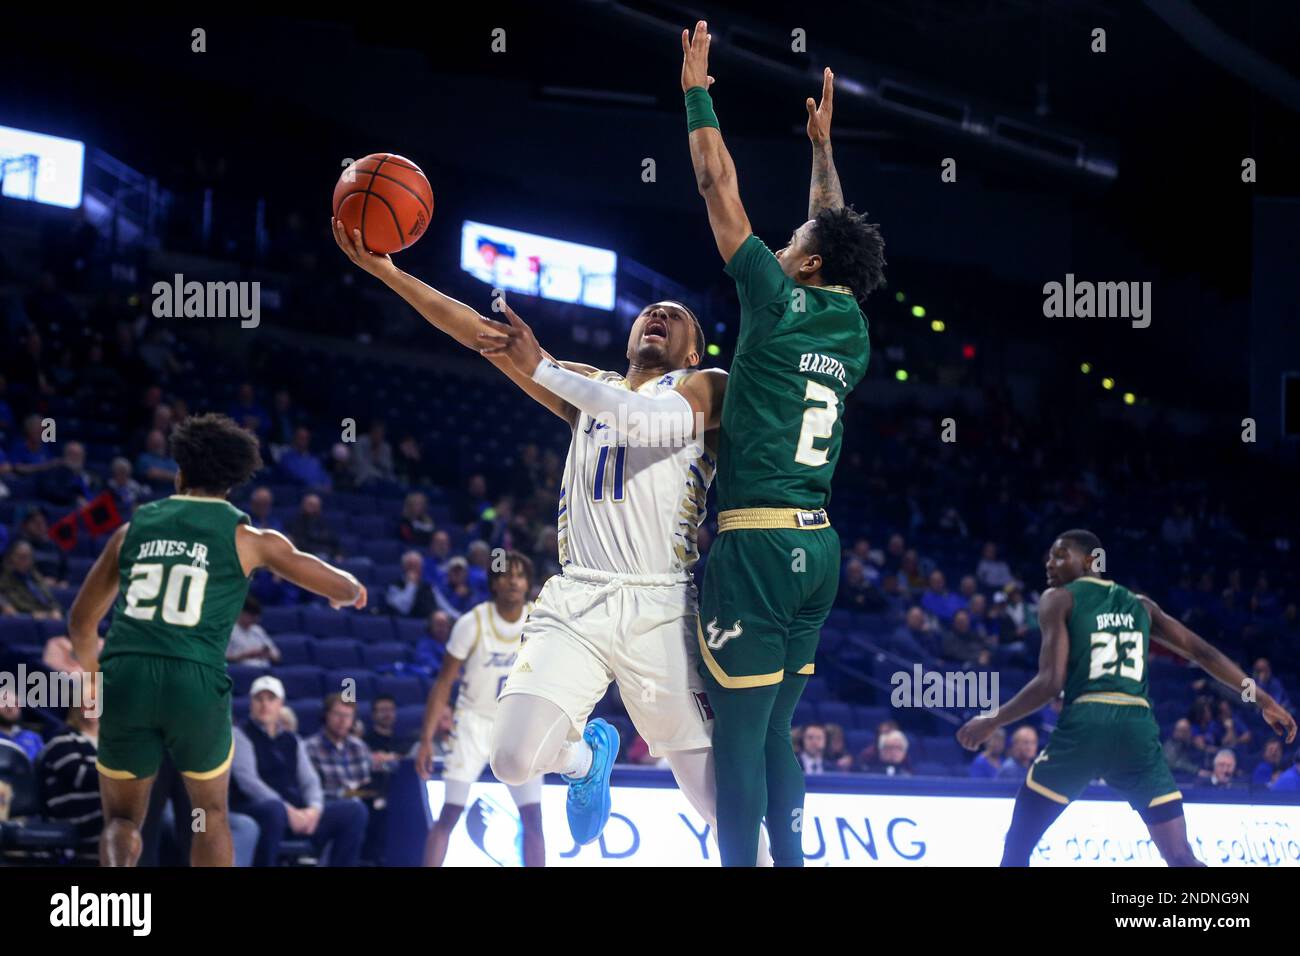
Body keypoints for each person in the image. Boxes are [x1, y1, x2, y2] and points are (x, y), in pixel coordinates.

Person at [334, 183, 764, 862]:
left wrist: (543, 367)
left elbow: (639, 419)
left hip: (661, 607)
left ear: (690, 351)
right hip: (576, 598)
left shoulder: (707, 387)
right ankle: (583, 758)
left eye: (674, 314)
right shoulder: (583, 389)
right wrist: (388, 271)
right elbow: (480, 333)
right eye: (649, 309)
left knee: (719, 806)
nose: (656, 313)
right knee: (509, 760)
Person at [678, 31, 885, 866]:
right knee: (774, 737)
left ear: (799, 261)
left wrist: (697, 91)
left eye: (795, 239)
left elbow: (714, 181)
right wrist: (824, 150)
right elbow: (830, 232)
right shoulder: (857, 329)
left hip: (758, 547)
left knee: (738, 742)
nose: (787, 241)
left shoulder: (773, 296)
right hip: (818, 550)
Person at [66, 413, 367, 867]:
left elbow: (80, 622)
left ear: (179, 471)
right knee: (209, 813)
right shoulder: (248, 538)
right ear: (232, 482)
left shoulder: (132, 530)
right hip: (195, 679)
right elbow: (338, 584)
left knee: (123, 819)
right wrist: (351, 591)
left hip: (127, 673)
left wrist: (94, 678)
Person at [957, 529, 1296, 867]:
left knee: (1016, 849)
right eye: (1049, 555)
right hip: (1137, 731)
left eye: (1060, 554)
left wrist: (992, 720)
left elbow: (1050, 683)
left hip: (1088, 723)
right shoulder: (1141, 606)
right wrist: (1262, 699)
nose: (1050, 562)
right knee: (1180, 856)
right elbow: (1204, 654)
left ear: (1090, 561)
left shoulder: (1058, 598)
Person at [415, 551, 543, 867]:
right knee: (449, 814)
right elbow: (444, 682)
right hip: (473, 723)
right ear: (494, 583)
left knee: (533, 820)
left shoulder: (542, 620)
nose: (513, 581)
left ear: (528, 584)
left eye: (520, 575)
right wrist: (427, 739)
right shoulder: (472, 622)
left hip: (519, 728)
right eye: (505, 575)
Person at [232, 676, 368, 867]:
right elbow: (249, 782)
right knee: (274, 810)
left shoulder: (293, 740)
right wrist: (289, 811)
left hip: (297, 814)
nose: (264, 705)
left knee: (355, 811)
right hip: (259, 809)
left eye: (270, 699)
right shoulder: (239, 735)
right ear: (251, 704)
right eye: (259, 699)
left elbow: (310, 781)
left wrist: (314, 809)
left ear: (280, 704)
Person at [38, 701, 103, 858]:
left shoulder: (113, 743)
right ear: (76, 707)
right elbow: (82, 777)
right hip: (77, 814)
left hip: (104, 810)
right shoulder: (62, 740)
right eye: (88, 701)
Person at [225, 596, 280, 667]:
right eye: (251, 615)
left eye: (256, 616)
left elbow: (277, 657)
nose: (255, 619)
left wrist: (266, 654)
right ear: (241, 612)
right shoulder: (228, 631)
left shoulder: (258, 630)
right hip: (242, 671)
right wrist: (245, 655)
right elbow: (222, 659)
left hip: (264, 669)